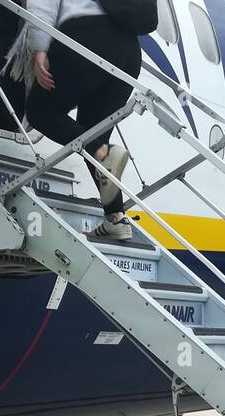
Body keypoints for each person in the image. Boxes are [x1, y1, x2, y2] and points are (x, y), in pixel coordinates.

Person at [11, 1, 143, 241]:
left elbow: (44, 4)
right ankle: (115, 218)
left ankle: (103, 153)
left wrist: (40, 48)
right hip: (130, 50)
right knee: (95, 132)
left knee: (41, 111)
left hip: (90, 37)